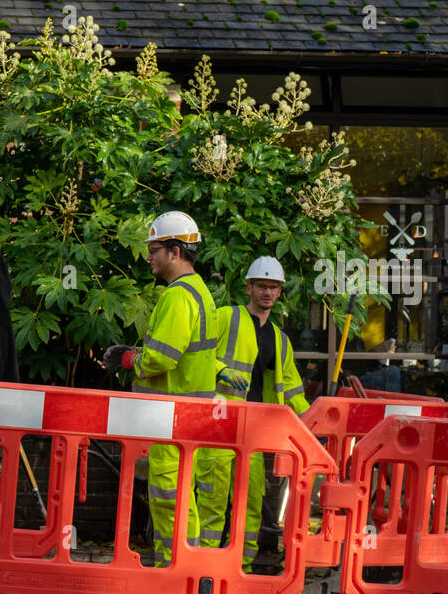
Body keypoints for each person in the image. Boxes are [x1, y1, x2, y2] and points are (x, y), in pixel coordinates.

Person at [103, 211, 248, 565]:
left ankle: (175, 569)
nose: (149, 257)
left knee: (170, 497)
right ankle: (189, 568)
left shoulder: (176, 297)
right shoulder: (199, 292)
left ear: (175, 252)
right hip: (189, 418)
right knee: (184, 499)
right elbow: (192, 354)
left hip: (169, 418)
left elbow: (161, 359)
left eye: (154, 250)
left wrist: (126, 360)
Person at [195, 255, 309, 572]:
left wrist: (313, 427)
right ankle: (203, 564)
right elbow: (198, 352)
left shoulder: (280, 340)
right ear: (249, 287)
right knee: (212, 498)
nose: (267, 292)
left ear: (280, 291)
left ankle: (239, 566)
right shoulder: (226, 318)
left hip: (254, 431)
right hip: (218, 424)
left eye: (273, 287)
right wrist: (220, 369)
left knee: (251, 500)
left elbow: (293, 391)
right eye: (262, 286)